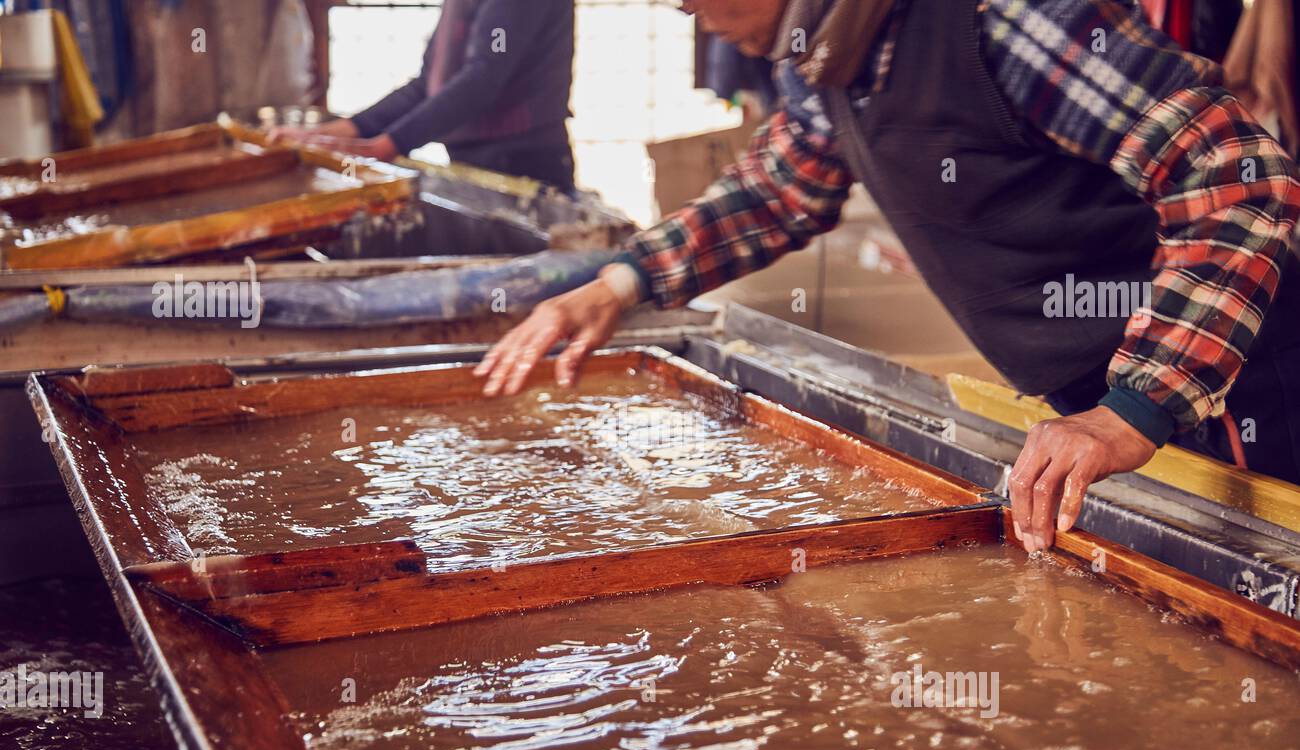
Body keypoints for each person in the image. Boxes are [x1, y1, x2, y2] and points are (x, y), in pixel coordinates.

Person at [476, 0, 1300, 554]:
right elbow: (774, 193)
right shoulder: (825, 60)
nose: (706, 24)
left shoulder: (998, 21)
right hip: (1100, 403)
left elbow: (1237, 174)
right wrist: (617, 284)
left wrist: (1134, 408)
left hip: (1235, 380)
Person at [272, 0, 576, 191]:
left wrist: (388, 145)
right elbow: (427, 87)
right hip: (474, 164)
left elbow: (483, 79)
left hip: (523, 165)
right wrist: (331, 134)